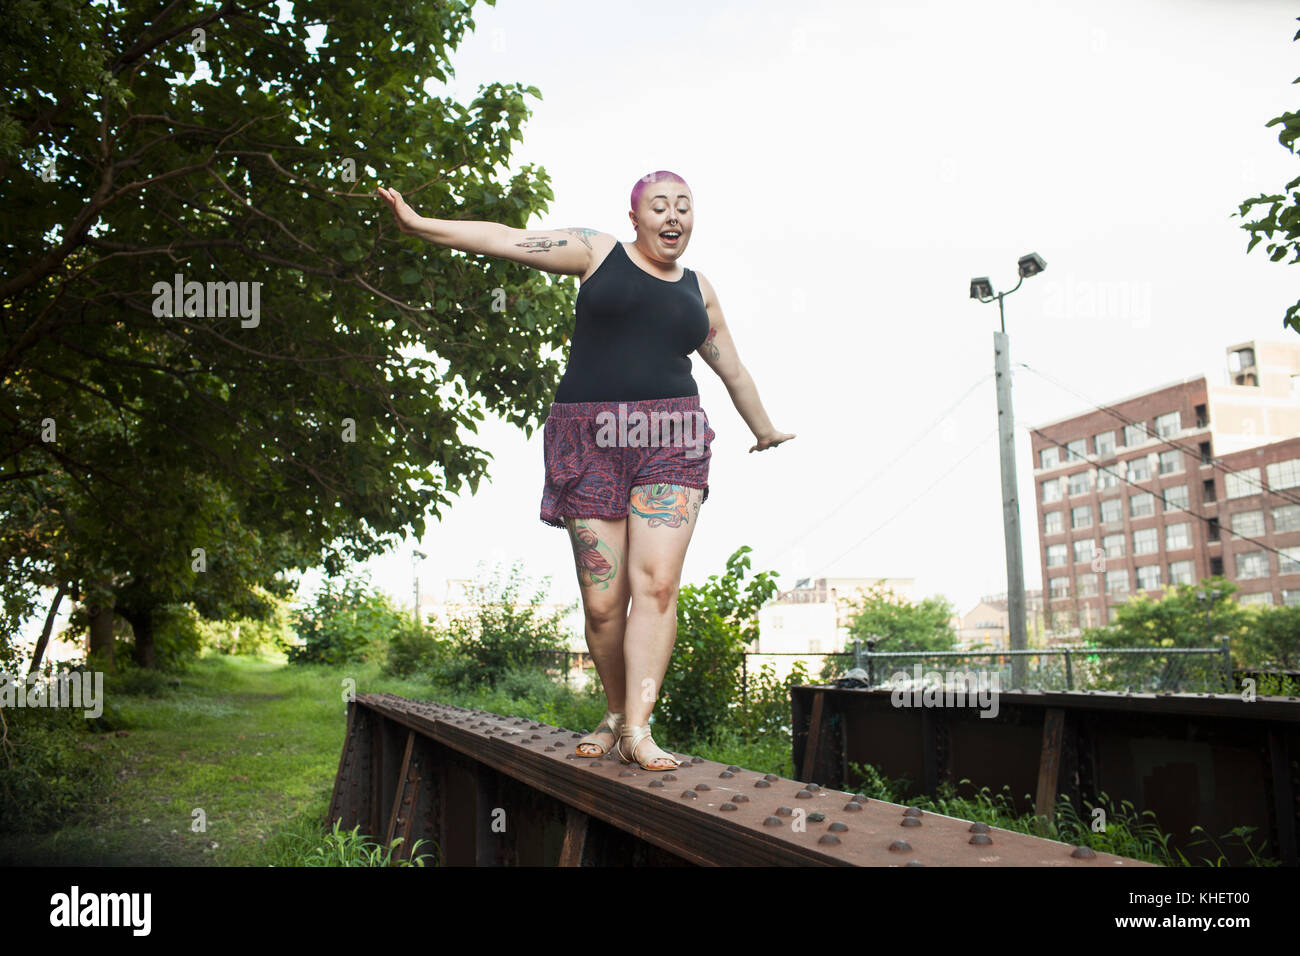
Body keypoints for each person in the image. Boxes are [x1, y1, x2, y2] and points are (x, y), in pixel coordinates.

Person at [376, 171, 793, 770]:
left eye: (684, 207)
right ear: (635, 218)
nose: (673, 217)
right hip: (586, 439)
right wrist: (419, 225)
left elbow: (733, 368)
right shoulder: (598, 252)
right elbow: (506, 237)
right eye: (660, 207)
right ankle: (616, 712)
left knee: (655, 585)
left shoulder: (698, 289)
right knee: (603, 601)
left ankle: (640, 729)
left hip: (669, 438)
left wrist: (764, 428)